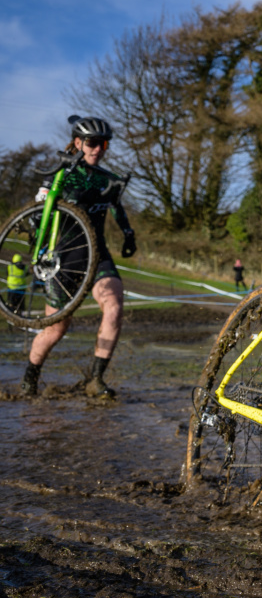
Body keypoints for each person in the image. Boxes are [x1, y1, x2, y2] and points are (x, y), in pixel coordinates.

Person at [19, 115, 137, 399]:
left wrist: (128, 233)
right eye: (93, 143)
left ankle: (95, 379)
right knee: (56, 329)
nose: (98, 149)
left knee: (114, 305)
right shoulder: (61, 173)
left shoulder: (105, 179)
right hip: (63, 257)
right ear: (78, 143)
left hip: (97, 254)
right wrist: (35, 230)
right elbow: (40, 205)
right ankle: (29, 379)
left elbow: (116, 207)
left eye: (103, 144)